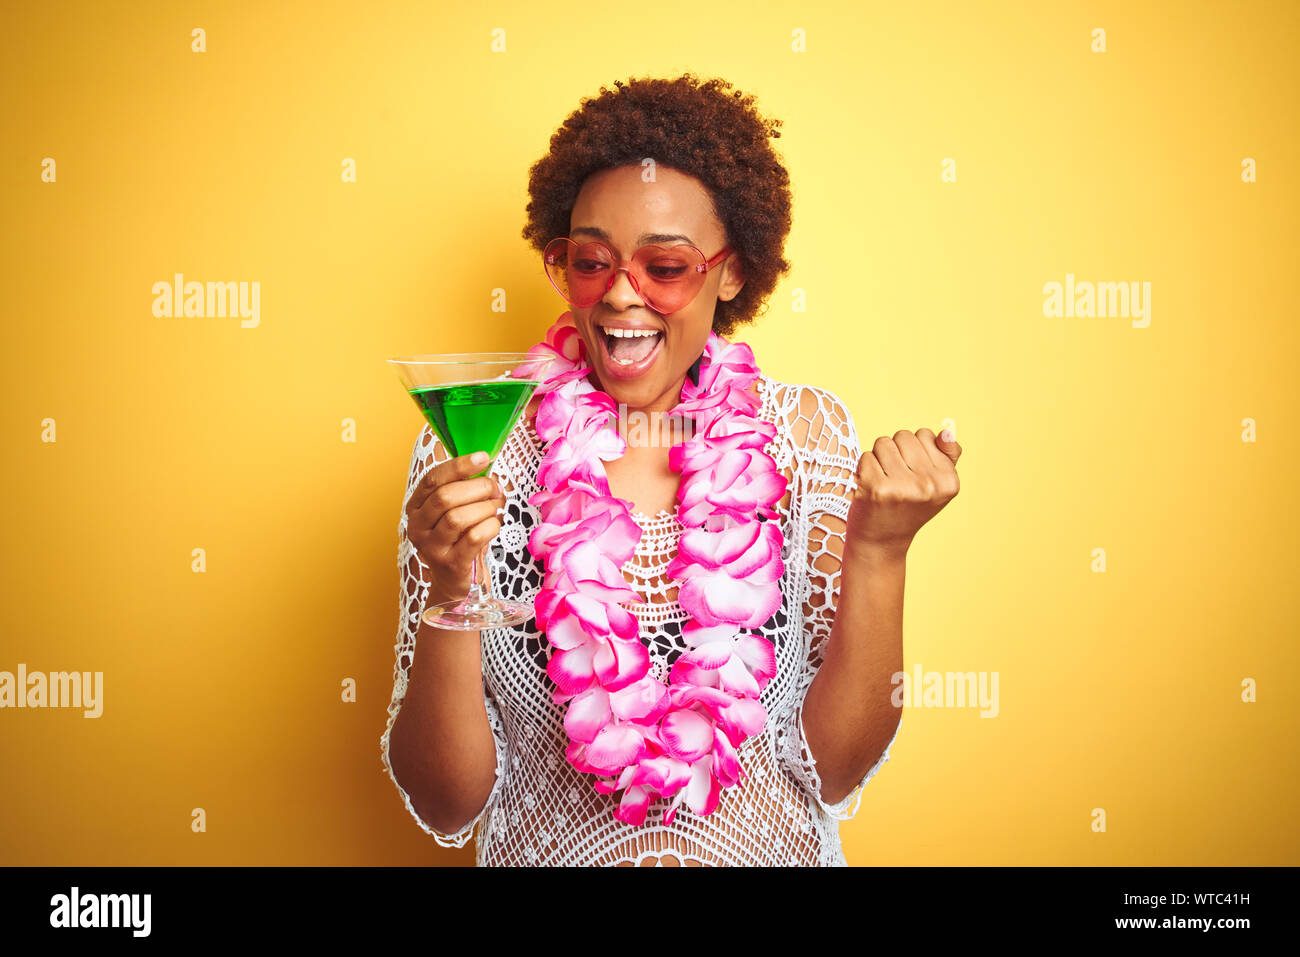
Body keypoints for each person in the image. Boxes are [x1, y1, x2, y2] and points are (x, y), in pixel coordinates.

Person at [382, 73, 963, 866]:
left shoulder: (801, 435)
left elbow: (831, 771)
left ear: (732, 272)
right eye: (592, 260)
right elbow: (445, 798)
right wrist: (449, 586)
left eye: (664, 266)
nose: (621, 297)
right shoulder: (483, 454)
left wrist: (880, 552)